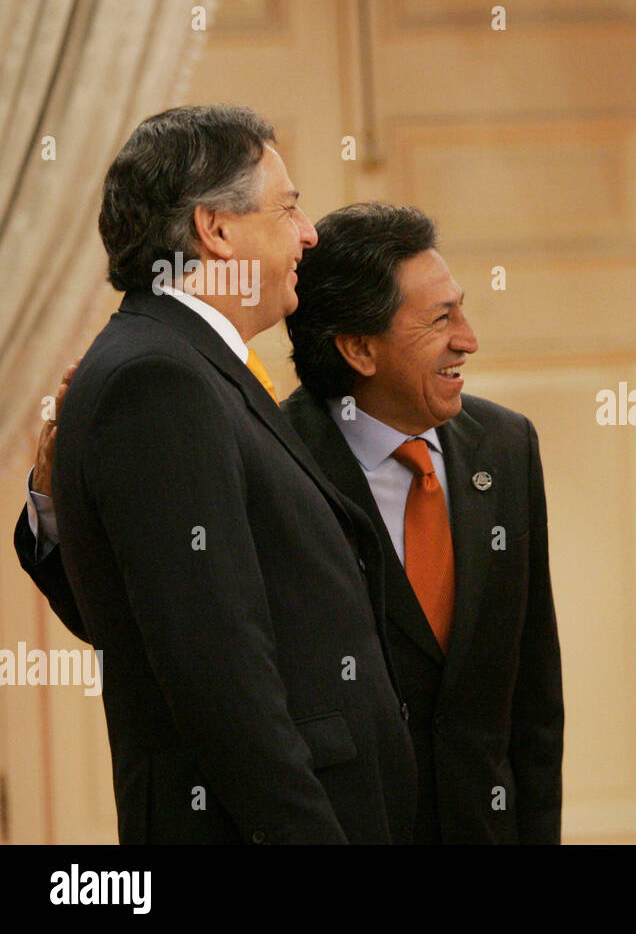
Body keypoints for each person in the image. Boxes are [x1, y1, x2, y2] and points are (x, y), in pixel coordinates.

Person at [19, 202, 564, 844]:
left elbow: (534, 694)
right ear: (360, 349)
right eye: (441, 319)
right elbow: (167, 627)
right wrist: (57, 499)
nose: (468, 338)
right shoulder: (266, 454)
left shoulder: (505, 446)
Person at [12, 105, 418, 843]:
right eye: (288, 208)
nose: (309, 233)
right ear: (217, 229)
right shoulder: (160, 380)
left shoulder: (189, 364)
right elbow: (216, 672)